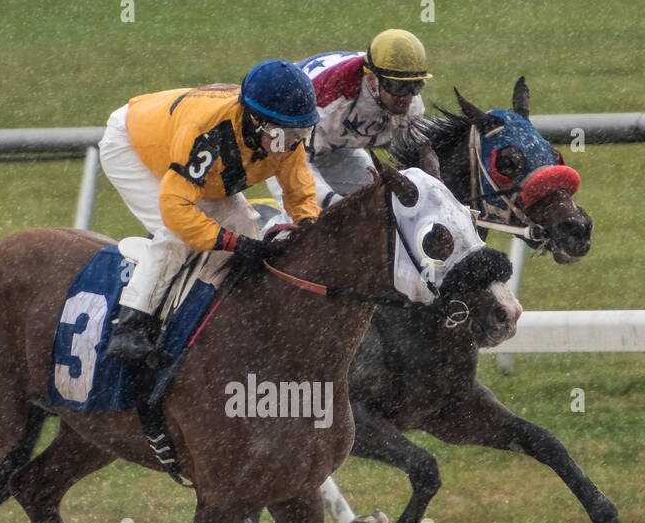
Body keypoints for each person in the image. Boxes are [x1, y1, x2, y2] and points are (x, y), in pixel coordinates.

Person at [98, 59, 321, 362]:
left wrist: (309, 226)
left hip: (194, 167)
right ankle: (130, 326)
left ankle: (206, 312)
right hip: (132, 146)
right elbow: (176, 208)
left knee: (245, 225)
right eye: (286, 135)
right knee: (176, 235)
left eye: (302, 133)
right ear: (256, 121)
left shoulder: (284, 134)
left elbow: (300, 192)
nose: (292, 144)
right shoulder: (209, 131)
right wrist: (230, 242)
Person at [266, 29, 432, 213]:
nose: (407, 97)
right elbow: (293, 164)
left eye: (416, 85)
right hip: (281, 148)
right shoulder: (329, 103)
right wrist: (333, 202)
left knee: (379, 200)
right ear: (371, 80)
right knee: (310, 220)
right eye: (398, 86)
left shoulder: (412, 104)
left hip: (333, 145)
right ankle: (269, 235)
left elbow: (415, 166)